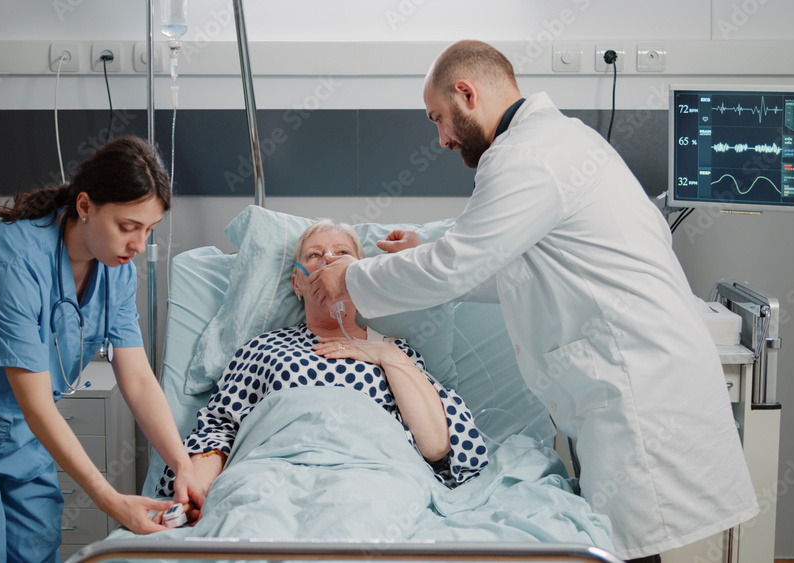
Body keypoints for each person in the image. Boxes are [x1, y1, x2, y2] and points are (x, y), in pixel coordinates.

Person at [307, 40, 759, 561]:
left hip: (640, 389)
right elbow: (512, 273)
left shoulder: (525, 156)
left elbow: (455, 267)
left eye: (438, 119)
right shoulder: (559, 142)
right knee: (628, 547)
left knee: (636, 551)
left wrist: (352, 277)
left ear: (466, 93)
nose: (440, 139)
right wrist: (424, 251)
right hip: (625, 384)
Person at [0, 136, 206, 562]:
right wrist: (111, 501)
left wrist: (182, 465)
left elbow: (138, 378)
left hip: (13, 418)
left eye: (149, 230)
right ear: (85, 206)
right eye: (128, 227)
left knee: (36, 543)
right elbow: (36, 404)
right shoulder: (10, 259)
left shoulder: (115, 270)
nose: (139, 246)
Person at [155, 219, 488, 503]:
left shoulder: (397, 353)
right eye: (314, 255)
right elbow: (218, 432)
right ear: (297, 283)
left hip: (372, 479)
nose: (329, 259)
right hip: (268, 479)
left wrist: (385, 354)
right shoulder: (262, 349)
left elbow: (435, 445)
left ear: (366, 273)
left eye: (343, 254)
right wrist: (195, 494)